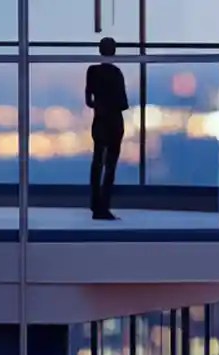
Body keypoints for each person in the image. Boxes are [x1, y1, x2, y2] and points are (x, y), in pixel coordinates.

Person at [85, 37, 128, 220]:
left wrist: (99, 106)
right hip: (114, 122)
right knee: (110, 165)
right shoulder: (117, 73)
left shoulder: (92, 71)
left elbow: (89, 100)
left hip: (100, 120)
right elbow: (122, 103)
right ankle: (104, 206)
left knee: (97, 163)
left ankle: (96, 206)